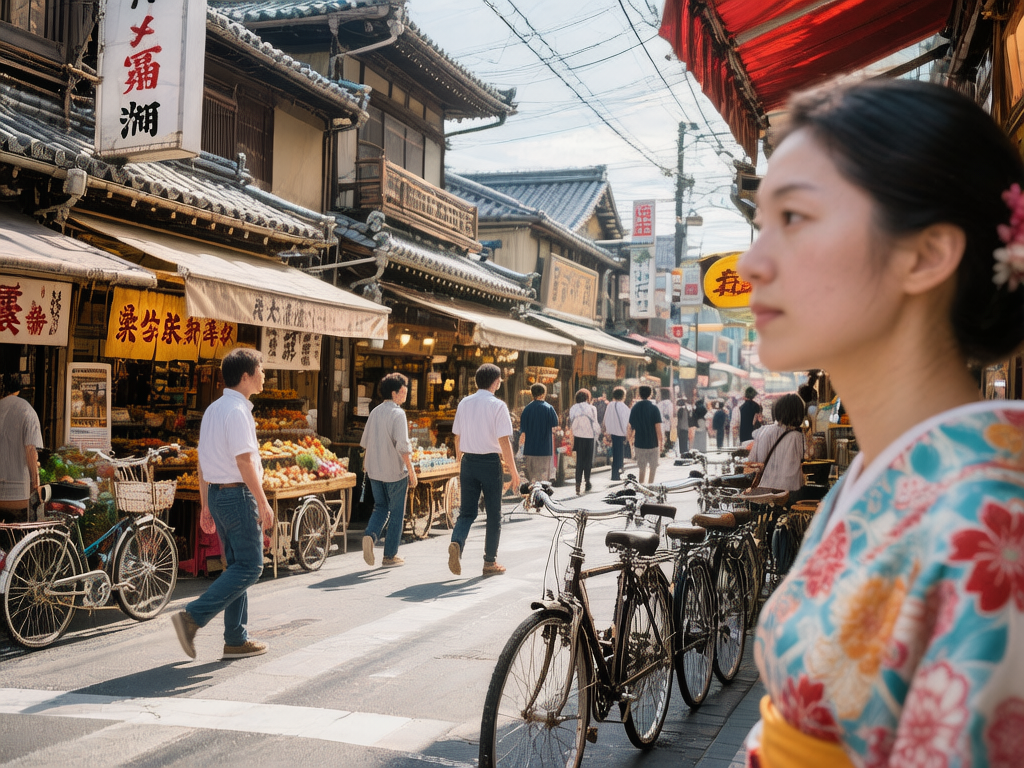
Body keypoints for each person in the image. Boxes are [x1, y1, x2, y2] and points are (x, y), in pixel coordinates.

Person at [737, 78, 1024, 766]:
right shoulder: (883, 470)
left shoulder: (993, 514)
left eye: (795, 218)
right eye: (759, 224)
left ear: (924, 255)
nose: (751, 263)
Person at [172, 348, 274, 661]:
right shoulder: (239, 411)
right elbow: (244, 461)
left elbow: (203, 462)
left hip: (218, 494)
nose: (264, 374)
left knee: (236, 565)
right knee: (250, 566)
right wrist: (263, 502)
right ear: (246, 376)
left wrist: (205, 505)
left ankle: (235, 638)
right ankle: (192, 617)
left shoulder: (215, 409)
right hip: (238, 494)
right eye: (261, 368)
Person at [447, 364, 521, 577]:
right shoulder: (497, 405)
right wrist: (514, 473)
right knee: (494, 515)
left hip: (468, 461)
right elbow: (504, 441)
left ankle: (457, 542)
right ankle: (490, 562)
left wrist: (460, 460)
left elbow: (457, 436)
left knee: (467, 512)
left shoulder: (464, 403)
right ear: (495, 382)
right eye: (499, 380)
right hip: (489, 463)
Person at [360, 372, 417, 568]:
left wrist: (366, 466)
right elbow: (403, 446)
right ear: (394, 393)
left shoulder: (375, 412)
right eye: (403, 392)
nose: (405, 395)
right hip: (394, 471)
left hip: (374, 471)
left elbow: (365, 442)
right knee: (396, 512)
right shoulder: (398, 413)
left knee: (380, 507)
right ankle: (390, 555)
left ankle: (370, 535)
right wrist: (411, 470)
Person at [745, 392, 806, 497]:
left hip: (764, 490)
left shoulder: (763, 430)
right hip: (787, 493)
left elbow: (752, 462)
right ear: (798, 415)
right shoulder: (797, 436)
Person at [0, 372, 42, 523]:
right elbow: (31, 451)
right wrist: (36, 484)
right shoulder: (27, 410)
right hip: (18, 497)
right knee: (19, 541)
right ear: (19, 388)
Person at [518, 383, 559, 483]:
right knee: (543, 481)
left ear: (532, 394)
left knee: (533, 480)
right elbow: (555, 426)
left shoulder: (526, 410)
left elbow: (523, 432)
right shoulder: (549, 408)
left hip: (530, 450)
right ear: (543, 394)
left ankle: (533, 497)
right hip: (545, 450)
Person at [627, 385, 662, 484]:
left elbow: (631, 427)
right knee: (653, 468)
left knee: (642, 469)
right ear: (650, 394)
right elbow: (658, 429)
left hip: (639, 443)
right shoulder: (654, 409)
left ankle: (641, 488)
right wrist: (661, 442)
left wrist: (630, 440)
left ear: (639, 394)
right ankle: (650, 487)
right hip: (653, 444)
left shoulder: (634, 408)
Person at [568, 388, 600, 494]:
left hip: (578, 437)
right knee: (588, 461)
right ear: (587, 398)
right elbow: (595, 423)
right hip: (589, 437)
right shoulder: (592, 408)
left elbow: (571, 423)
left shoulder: (573, 408)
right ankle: (587, 482)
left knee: (579, 461)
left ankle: (577, 486)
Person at [603, 386, 630, 481]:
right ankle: (617, 473)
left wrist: (605, 431)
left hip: (612, 433)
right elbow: (627, 422)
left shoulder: (610, 405)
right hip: (621, 433)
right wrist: (627, 434)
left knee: (615, 454)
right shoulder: (624, 407)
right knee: (620, 454)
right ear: (623, 396)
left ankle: (615, 473)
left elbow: (606, 418)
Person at [658, 390, 675, 457]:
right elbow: (670, 415)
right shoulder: (669, 403)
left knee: (661, 438)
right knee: (667, 437)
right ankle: (665, 451)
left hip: (659, 423)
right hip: (667, 424)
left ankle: (660, 451)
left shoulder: (659, 404)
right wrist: (672, 425)